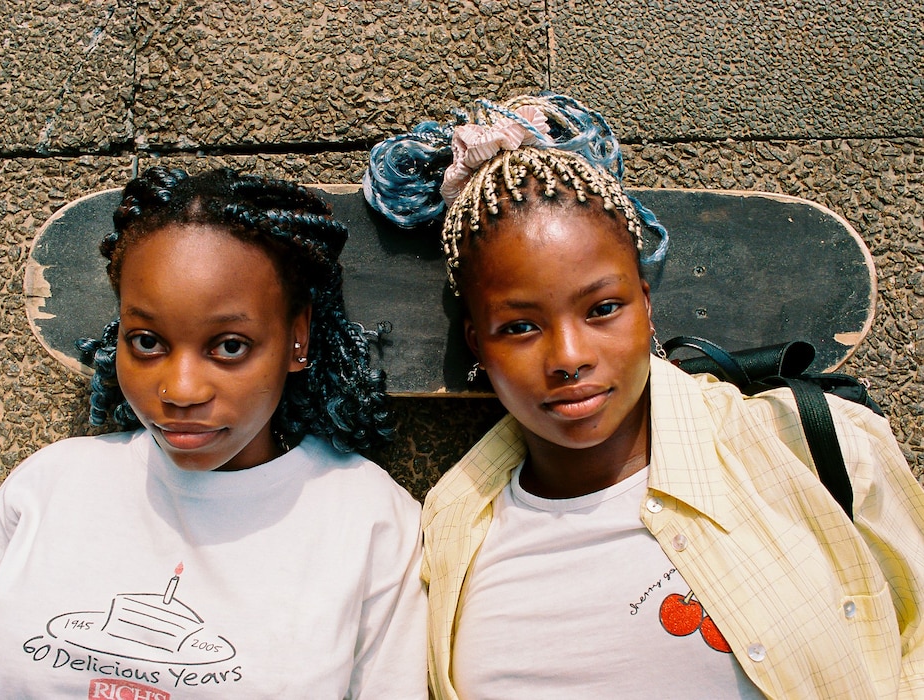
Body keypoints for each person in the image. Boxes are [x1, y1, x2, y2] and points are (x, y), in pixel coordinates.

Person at [365, 93, 924, 698]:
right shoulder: (450, 533)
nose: (569, 357)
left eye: (603, 309)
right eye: (521, 326)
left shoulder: (810, 445)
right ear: (478, 344)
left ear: (646, 306)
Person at [0, 167, 428, 699]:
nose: (181, 390)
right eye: (147, 342)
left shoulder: (368, 522)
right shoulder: (49, 488)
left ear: (297, 339)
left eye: (229, 346)